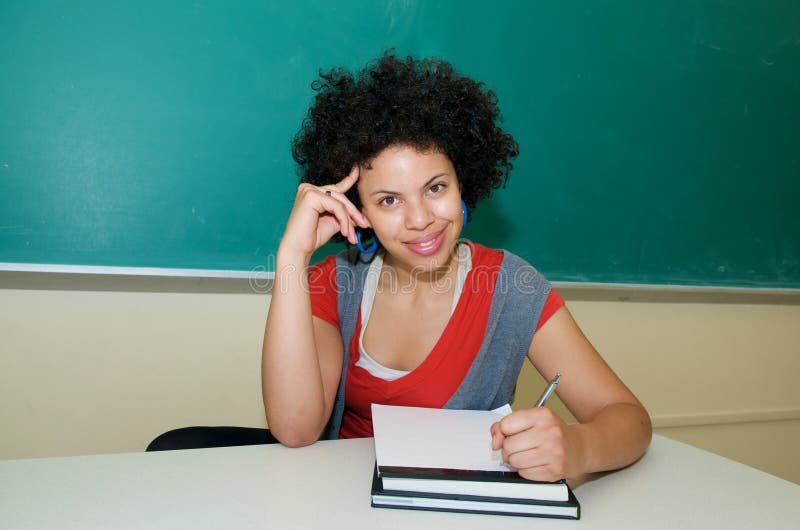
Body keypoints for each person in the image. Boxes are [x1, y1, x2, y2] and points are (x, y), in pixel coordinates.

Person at [261, 52, 651, 481]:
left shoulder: (512, 287)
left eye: (435, 187)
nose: (420, 218)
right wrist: (292, 258)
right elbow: (296, 429)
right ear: (358, 211)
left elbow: (629, 419)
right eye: (389, 200)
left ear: (462, 181)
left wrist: (577, 447)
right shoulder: (335, 284)